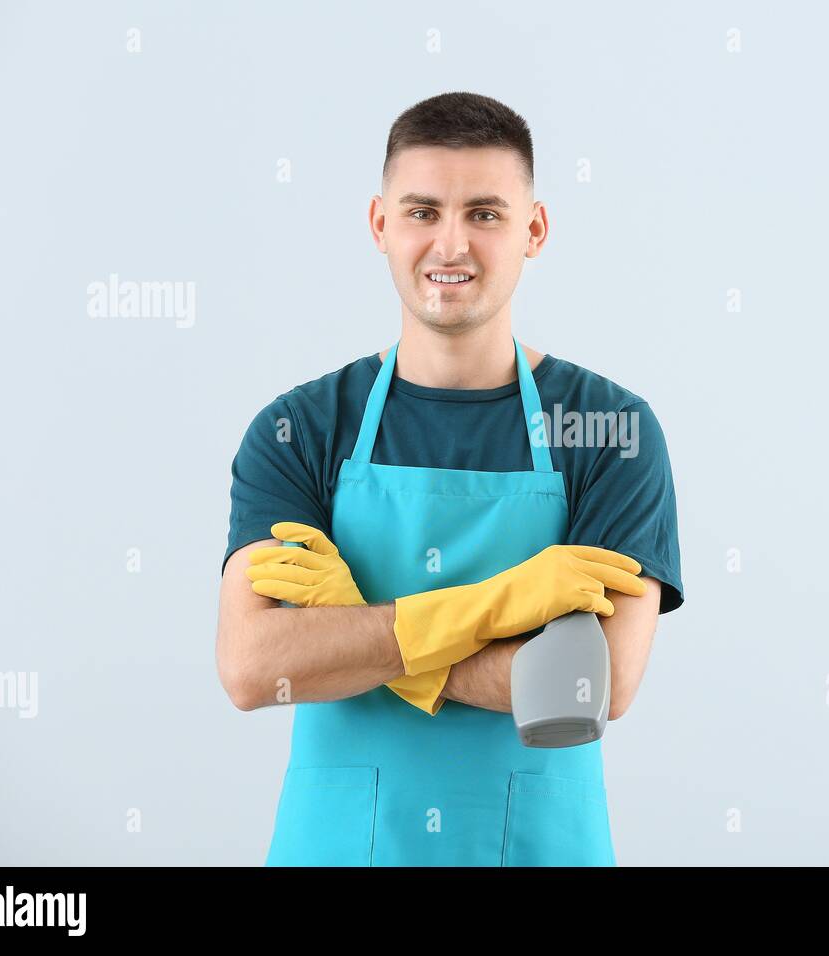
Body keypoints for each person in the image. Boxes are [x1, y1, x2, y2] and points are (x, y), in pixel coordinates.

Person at [215, 92, 684, 866]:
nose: (451, 244)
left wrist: (351, 629)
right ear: (380, 225)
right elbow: (252, 667)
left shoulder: (610, 430)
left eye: (486, 214)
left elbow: (588, 692)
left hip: (537, 848)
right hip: (340, 848)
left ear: (534, 230)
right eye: (423, 211)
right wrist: (503, 604)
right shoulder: (300, 429)